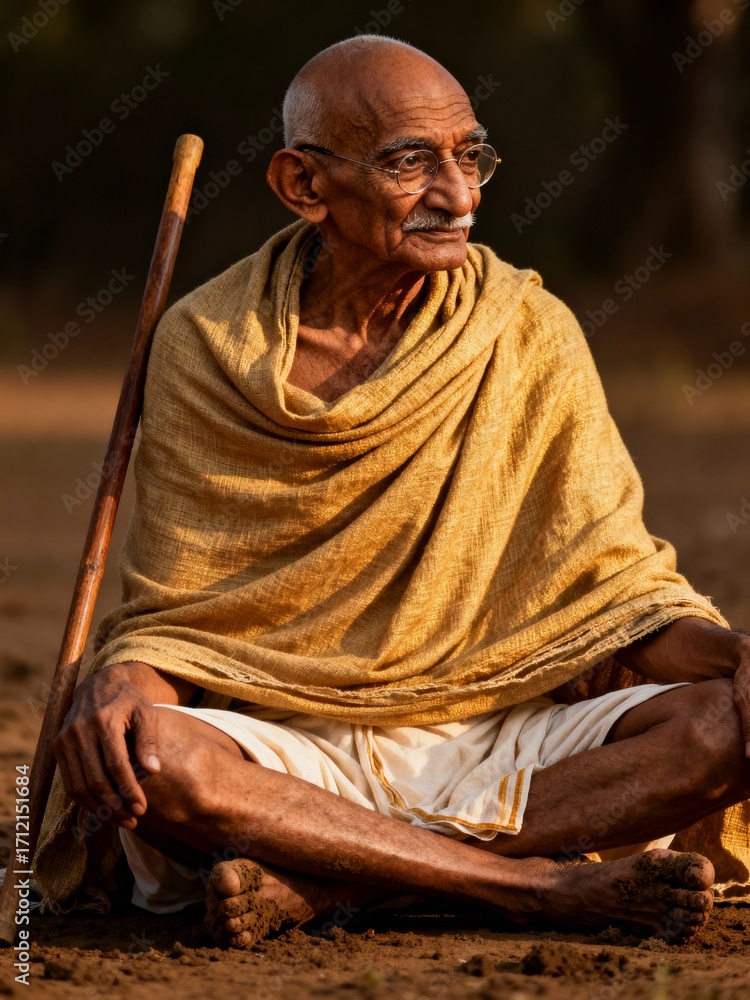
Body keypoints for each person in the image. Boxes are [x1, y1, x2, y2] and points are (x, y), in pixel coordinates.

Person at [43, 35, 750, 950]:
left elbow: (612, 603)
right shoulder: (206, 344)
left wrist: (738, 656)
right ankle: (522, 890)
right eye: (412, 162)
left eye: (471, 156)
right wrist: (119, 681)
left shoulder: (527, 330)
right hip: (286, 755)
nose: (458, 197)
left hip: (502, 738)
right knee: (144, 750)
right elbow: (183, 611)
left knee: (722, 730)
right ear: (305, 186)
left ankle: (332, 881)